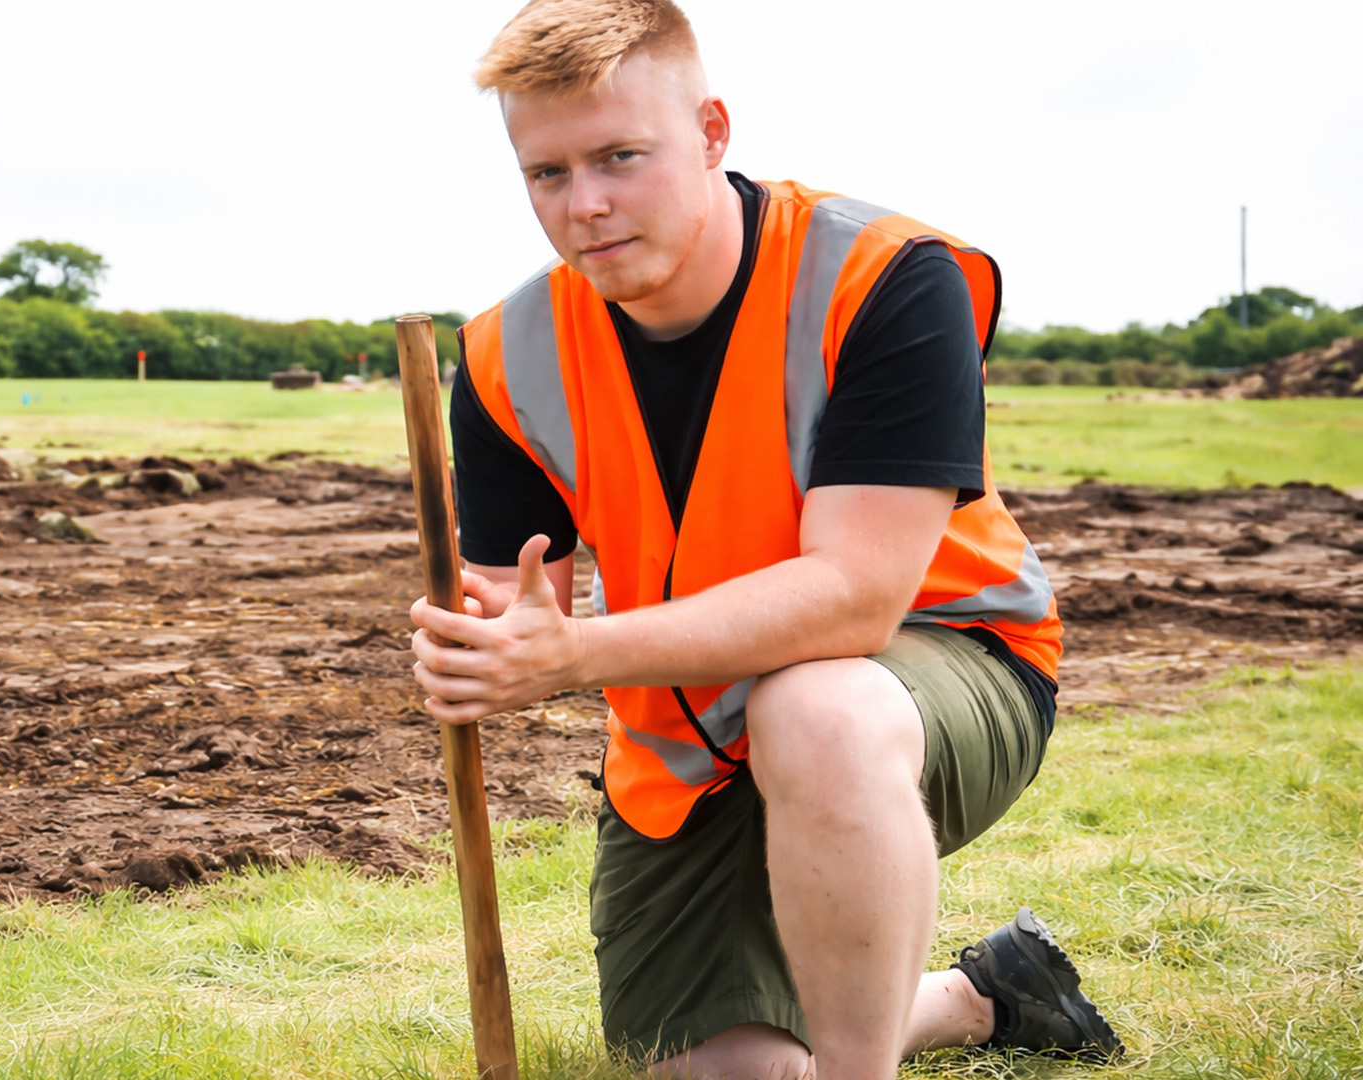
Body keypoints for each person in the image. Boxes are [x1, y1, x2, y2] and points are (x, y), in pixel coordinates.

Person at [407, 2, 1123, 1076]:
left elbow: (857, 599)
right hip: (689, 743)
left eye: (620, 157)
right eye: (546, 173)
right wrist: (482, 640)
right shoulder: (507, 354)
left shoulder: (885, 276)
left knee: (815, 710)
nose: (584, 205)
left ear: (711, 133)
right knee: (720, 1071)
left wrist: (575, 653)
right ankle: (980, 995)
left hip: (933, 674)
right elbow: (515, 595)